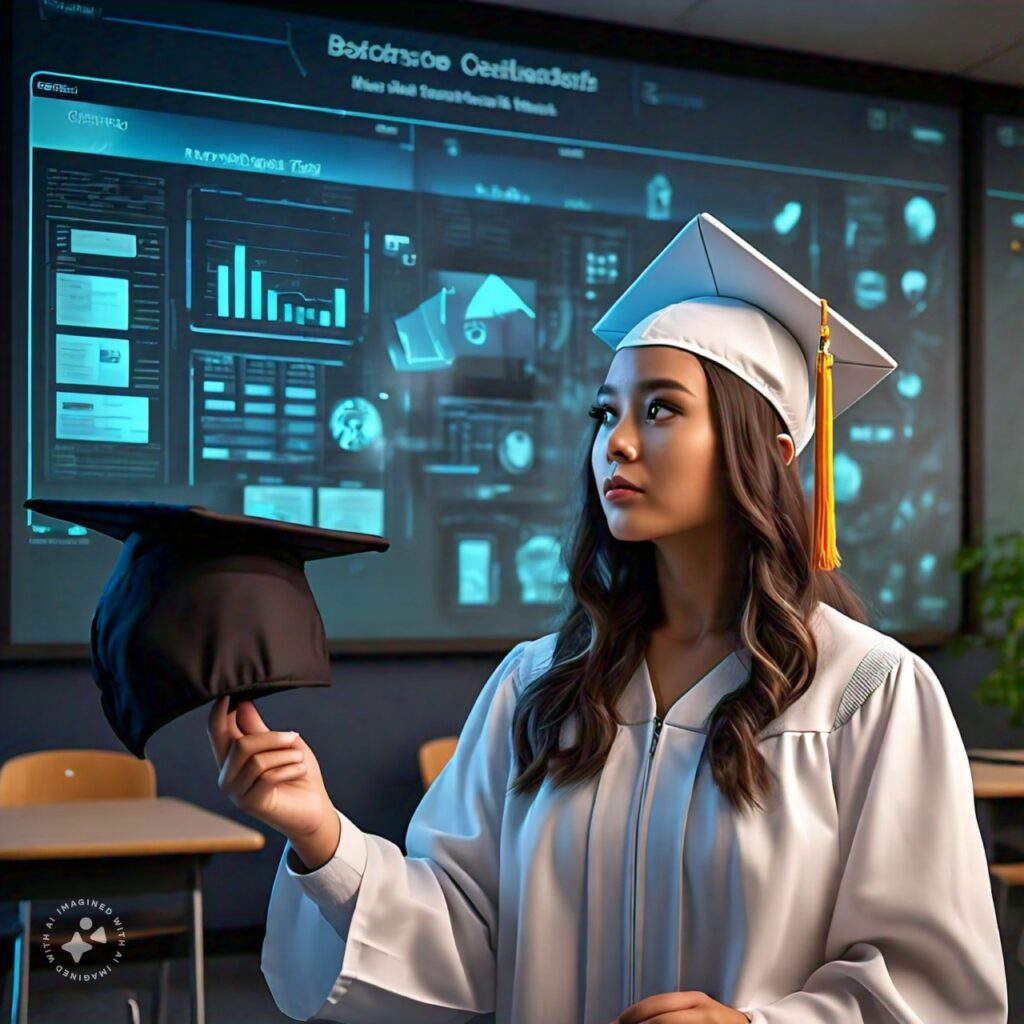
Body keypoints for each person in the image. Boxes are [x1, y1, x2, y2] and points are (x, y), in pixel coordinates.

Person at [209, 212, 1008, 1023]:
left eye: (660, 410)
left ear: (769, 449)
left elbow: (928, 983)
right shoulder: (541, 682)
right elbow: (465, 942)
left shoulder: (865, 694)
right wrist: (321, 836)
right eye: (605, 413)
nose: (616, 444)